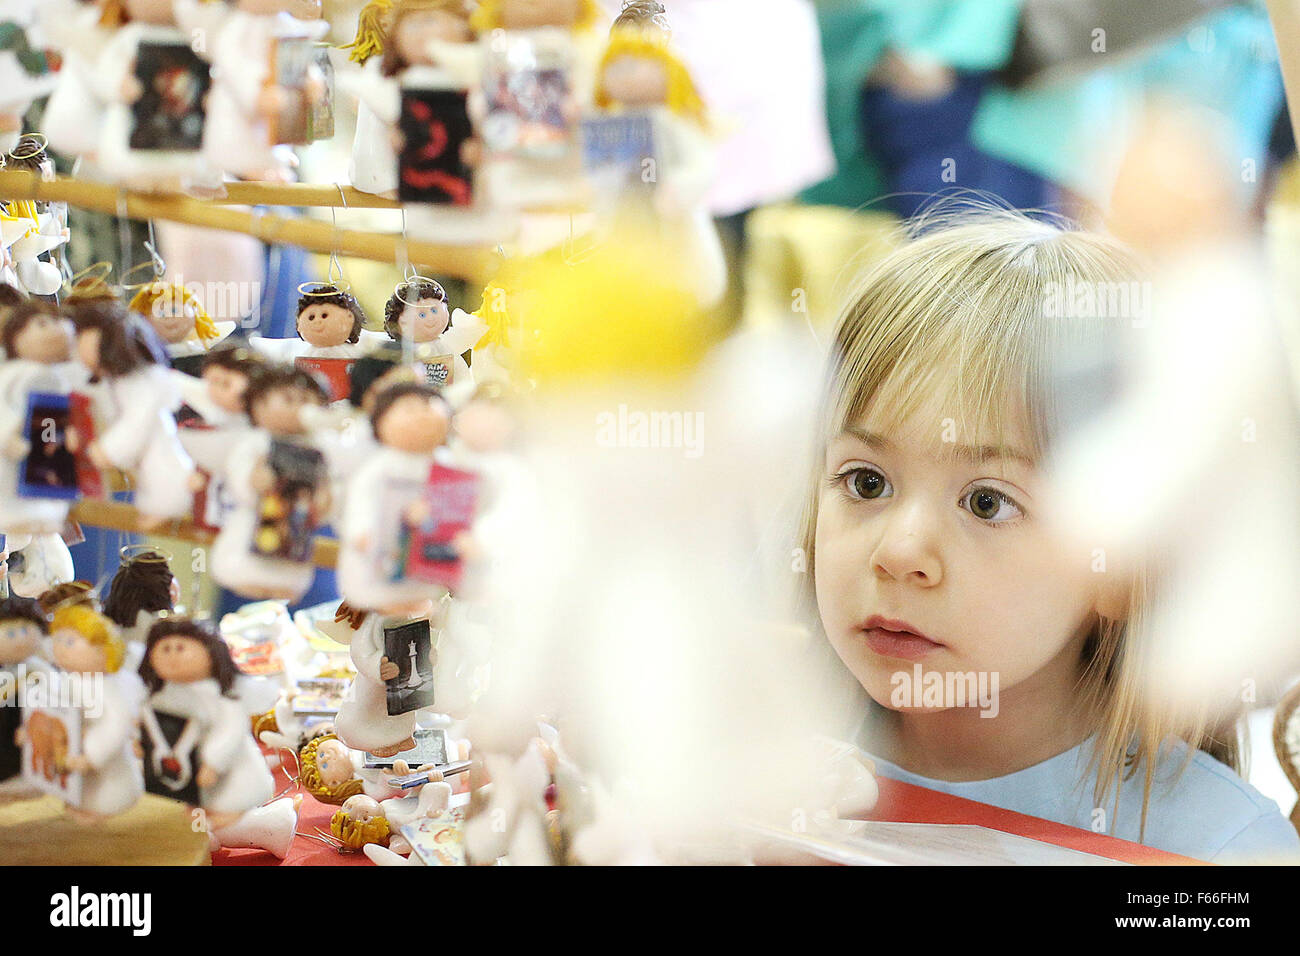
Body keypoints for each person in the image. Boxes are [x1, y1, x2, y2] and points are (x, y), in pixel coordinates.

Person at [799, 206, 1300, 863]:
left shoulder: (1224, 851)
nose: (898, 554)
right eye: (866, 483)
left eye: (986, 502)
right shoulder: (745, 766)